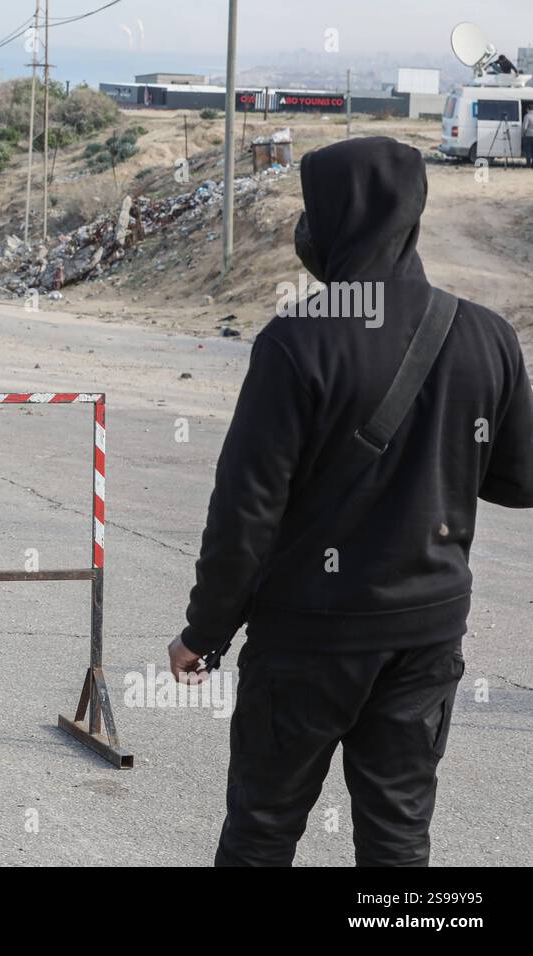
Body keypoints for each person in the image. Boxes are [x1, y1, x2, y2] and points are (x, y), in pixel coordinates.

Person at [167, 137, 533, 866]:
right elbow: (521, 481)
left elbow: (245, 514)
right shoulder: (486, 335)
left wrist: (204, 632)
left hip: (306, 640)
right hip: (425, 637)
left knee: (263, 831)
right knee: (399, 837)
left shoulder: (295, 342)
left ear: (336, 220)